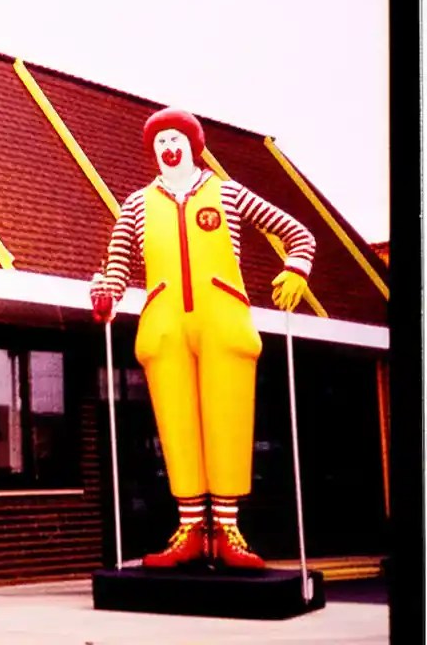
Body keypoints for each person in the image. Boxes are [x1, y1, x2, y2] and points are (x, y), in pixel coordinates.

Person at [90, 107, 314, 569]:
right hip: (164, 321)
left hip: (222, 317)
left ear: (194, 145)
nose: (169, 149)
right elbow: (118, 264)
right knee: (177, 426)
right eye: (160, 142)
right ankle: (190, 527)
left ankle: (228, 529)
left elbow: (298, 234)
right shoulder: (136, 205)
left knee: (227, 420)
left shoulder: (227, 192)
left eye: (176, 140)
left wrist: (296, 269)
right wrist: (107, 292)